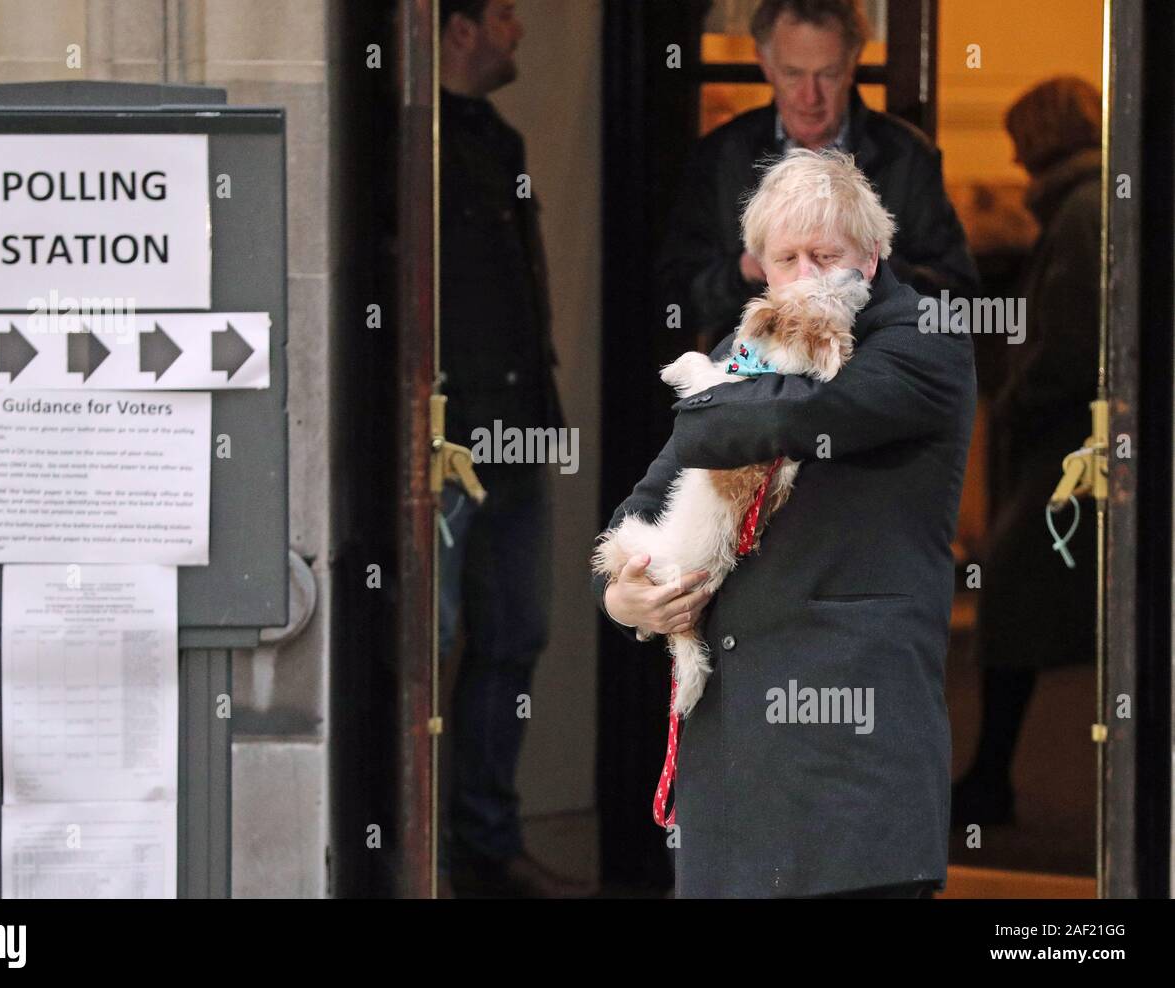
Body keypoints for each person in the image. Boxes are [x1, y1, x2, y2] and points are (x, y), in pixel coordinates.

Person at [594, 148, 976, 897]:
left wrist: (706, 393)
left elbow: (780, 417)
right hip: (733, 771)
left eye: (825, 255)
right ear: (758, 268)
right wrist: (623, 598)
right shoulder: (740, 356)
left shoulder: (923, 338)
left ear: (872, 254)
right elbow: (643, 503)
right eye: (786, 258)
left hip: (852, 772)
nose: (805, 276)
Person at [436, 0, 589, 898]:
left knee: (515, 635)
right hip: (446, 439)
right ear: (459, 29)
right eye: (502, 15)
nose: (519, 31)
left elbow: (523, 289)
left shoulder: (498, 139)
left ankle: (488, 843)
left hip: (520, 424)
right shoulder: (405, 144)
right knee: (439, 640)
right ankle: (430, 859)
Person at [952, 77, 1103, 826]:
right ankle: (989, 777)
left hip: (1067, 447)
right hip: (1077, 443)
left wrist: (1015, 401)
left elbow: (1071, 343)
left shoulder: (1078, 212)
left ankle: (989, 781)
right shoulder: (1090, 205)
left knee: (1013, 603)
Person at [658, 0, 978, 344]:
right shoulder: (721, 155)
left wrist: (870, 272)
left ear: (852, 63)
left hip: (873, 384)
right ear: (764, 63)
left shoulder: (907, 156)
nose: (810, 97)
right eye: (793, 74)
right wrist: (745, 270)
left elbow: (960, 303)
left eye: (828, 74)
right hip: (751, 385)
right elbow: (673, 301)